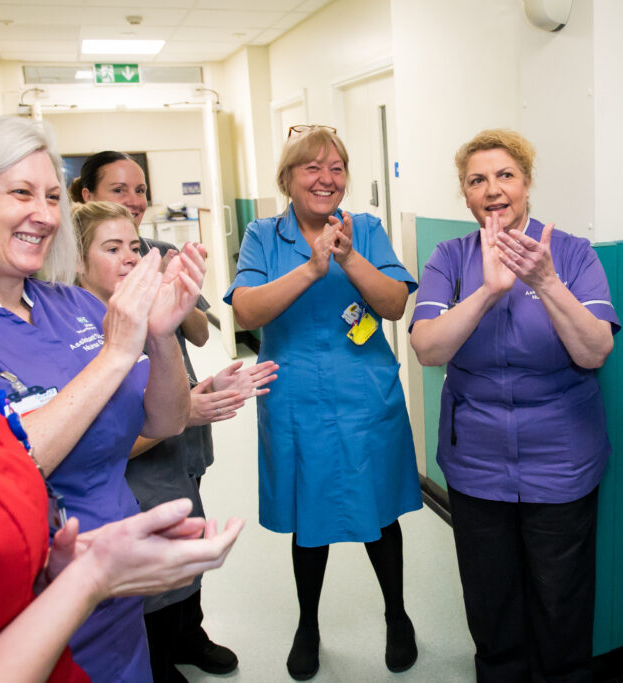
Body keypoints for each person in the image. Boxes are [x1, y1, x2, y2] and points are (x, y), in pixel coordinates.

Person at [0, 51, 243, 682]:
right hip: (25, 615)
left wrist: (159, 335)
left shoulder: (70, 304)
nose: (42, 213)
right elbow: (8, 463)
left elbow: (168, 418)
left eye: (48, 195)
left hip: (113, 588)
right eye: (18, 193)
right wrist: (118, 352)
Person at [409, 129, 618, 683]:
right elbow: (428, 348)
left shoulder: (571, 254)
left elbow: (595, 350)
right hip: (477, 461)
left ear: (526, 184)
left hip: (562, 459)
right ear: (465, 194)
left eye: (505, 175)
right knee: (491, 601)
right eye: (477, 180)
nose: (493, 190)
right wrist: (487, 292)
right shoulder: (451, 257)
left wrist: (545, 282)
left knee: (562, 602)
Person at [225, 125, 422, 680]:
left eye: (336, 167)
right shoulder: (264, 236)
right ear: (287, 177)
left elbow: (393, 305)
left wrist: (350, 257)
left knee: (380, 513)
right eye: (312, 167)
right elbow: (246, 311)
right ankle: (307, 624)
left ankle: (397, 615)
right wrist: (312, 267)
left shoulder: (369, 229)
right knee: (308, 520)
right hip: (298, 402)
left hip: (365, 397)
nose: (326, 178)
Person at [71, 150, 267, 679]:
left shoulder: (153, 255)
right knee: (149, 558)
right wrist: (184, 409)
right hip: (147, 445)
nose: (134, 201)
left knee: (188, 528)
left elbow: (202, 333)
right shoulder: (77, 310)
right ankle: (158, 653)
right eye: (119, 190)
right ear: (86, 200)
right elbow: (102, 430)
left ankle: (190, 635)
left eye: (140, 190)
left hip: (181, 420)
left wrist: (175, 297)